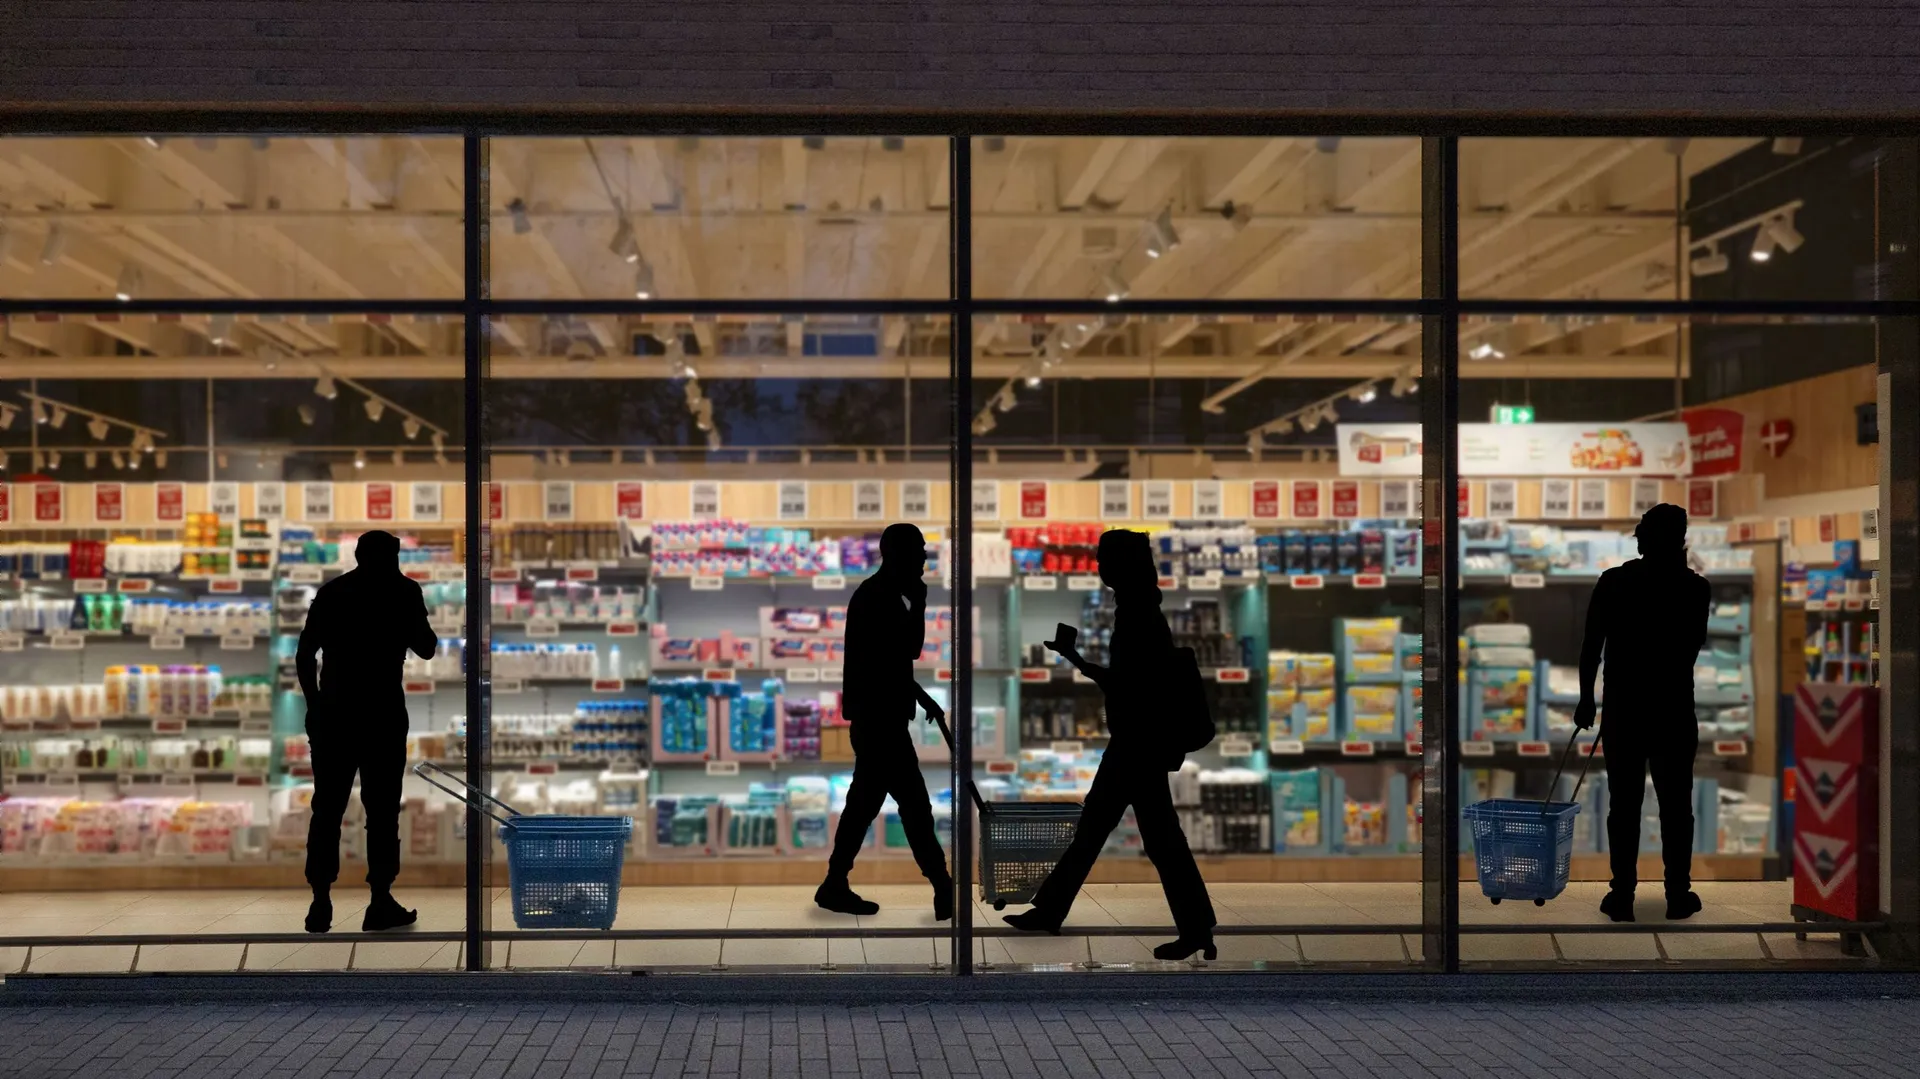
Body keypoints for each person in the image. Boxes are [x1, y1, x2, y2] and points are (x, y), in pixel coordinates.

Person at [1003, 529, 1218, 961]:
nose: (1099, 565)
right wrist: (1079, 660)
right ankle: (1051, 909)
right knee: (1114, 833)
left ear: (1124, 564)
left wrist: (1078, 661)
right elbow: (1133, 683)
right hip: (1136, 744)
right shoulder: (1140, 608)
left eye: (1105, 558)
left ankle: (1195, 928)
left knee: (1151, 839)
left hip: (1136, 746)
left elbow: (1130, 685)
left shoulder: (1137, 614)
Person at [1573, 503, 1711, 923]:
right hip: (1672, 708)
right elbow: (1690, 649)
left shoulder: (1614, 582)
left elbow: (1591, 646)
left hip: (1624, 708)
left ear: (1643, 539)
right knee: (1676, 805)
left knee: (1624, 804)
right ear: (1681, 541)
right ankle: (1677, 894)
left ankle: (1622, 896)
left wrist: (1586, 699)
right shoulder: (1695, 589)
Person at [297, 530, 438, 934]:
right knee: (382, 811)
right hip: (383, 714)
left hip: (335, 712)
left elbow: (305, 654)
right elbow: (427, 648)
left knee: (327, 809)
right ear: (392, 557)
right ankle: (379, 900)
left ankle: (320, 900)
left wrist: (314, 705)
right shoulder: (404, 591)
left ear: (358, 556)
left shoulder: (332, 592)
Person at [816, 523, 955, 920]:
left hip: (878, 717)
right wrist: (922, 604)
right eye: (919, 551)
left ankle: (834, 884)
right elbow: (906, 650)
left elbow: (890, 661)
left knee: (865, 804)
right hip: (880, 722)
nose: (925, 558)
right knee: (913, 805)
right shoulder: (880, 597)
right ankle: (942, 885)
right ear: (897, 554)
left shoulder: (880, 595)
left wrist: (921, 696)